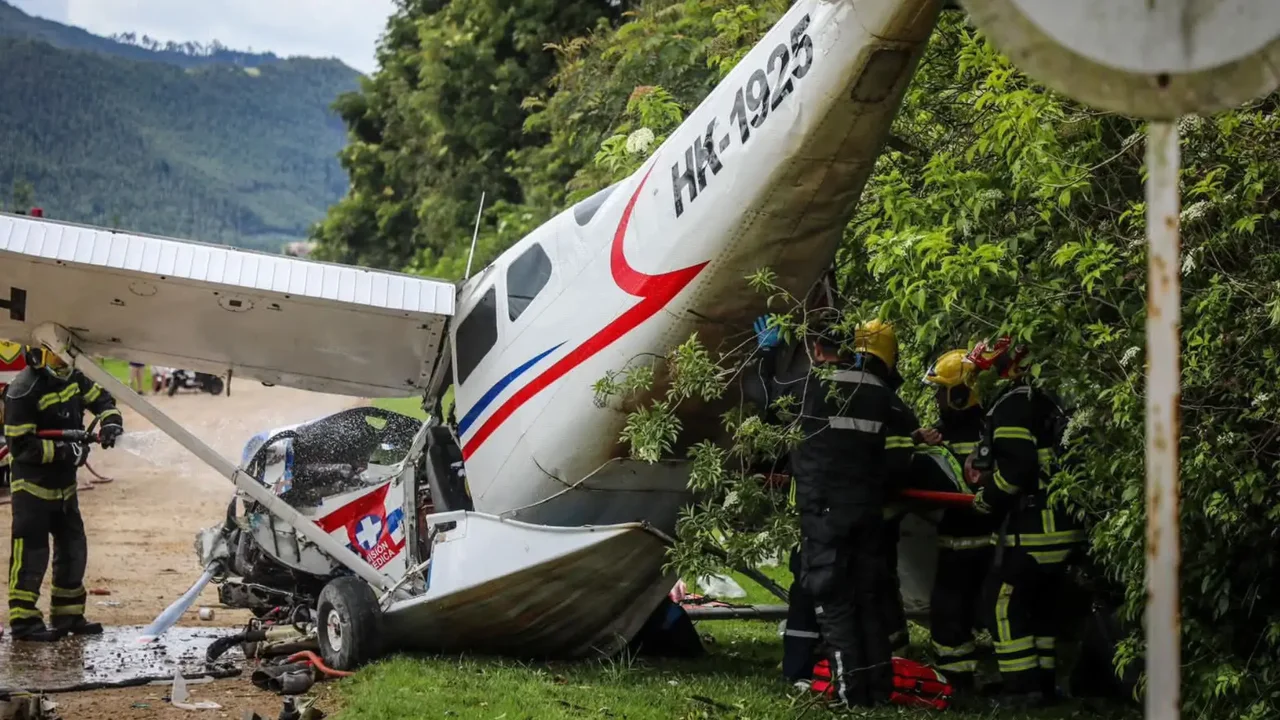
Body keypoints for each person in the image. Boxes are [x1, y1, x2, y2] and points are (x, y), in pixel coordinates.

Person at [767, 319, 916, 707]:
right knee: (867, 600)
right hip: (866, 512)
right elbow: (904, 436)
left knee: (832, 602)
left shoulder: (811, 388)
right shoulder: (882, 393)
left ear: (817, 349)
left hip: (824, 512)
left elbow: (769, 408)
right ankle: (877, 693)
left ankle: (851, 696)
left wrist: (768, 356)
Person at [961, 337, 1083, 705]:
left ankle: (1020, 688)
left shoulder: (1014, 406)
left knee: (1001, 603)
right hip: (1063, 525)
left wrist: (986, 500)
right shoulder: (1050, 400)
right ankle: (1044, 684)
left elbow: (1018, 469)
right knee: (1041, 606)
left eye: (994, 371)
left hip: (1034, 529)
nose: (989, 380)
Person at [4, 343, 124, 641]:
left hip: (64, 488)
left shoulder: (72, 377)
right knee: (31, 553)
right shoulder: (23, 390)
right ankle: (24, 621)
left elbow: (102, 399)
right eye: (56, 352)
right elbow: (20, 447)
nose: (64, 357)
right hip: (32, 488)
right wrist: (63, 451)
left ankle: (68, 615)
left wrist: (111, 422)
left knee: (73, 548)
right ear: (39, 354)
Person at [916, 348, 996, 692]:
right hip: (991, 544)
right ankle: (984, 673)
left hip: (963, 543)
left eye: (941, 391)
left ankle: (957, 677)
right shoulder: (991, 426)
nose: (937, 399)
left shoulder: (957, 432)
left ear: (960, 393)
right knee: (982, 611)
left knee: (950, 612)